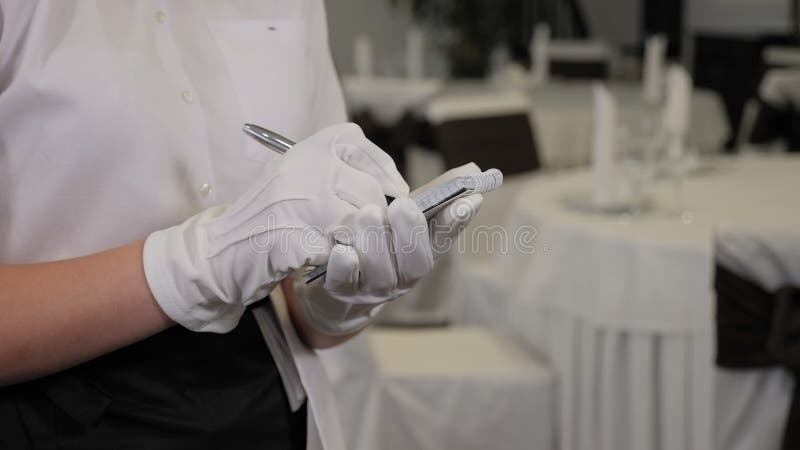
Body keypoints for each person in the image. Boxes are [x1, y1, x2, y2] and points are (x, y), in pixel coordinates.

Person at [0, 1, 482, 449]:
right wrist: (204, 263)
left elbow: (307, 313)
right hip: (61, 415)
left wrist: (345, 295)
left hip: (267, 405)